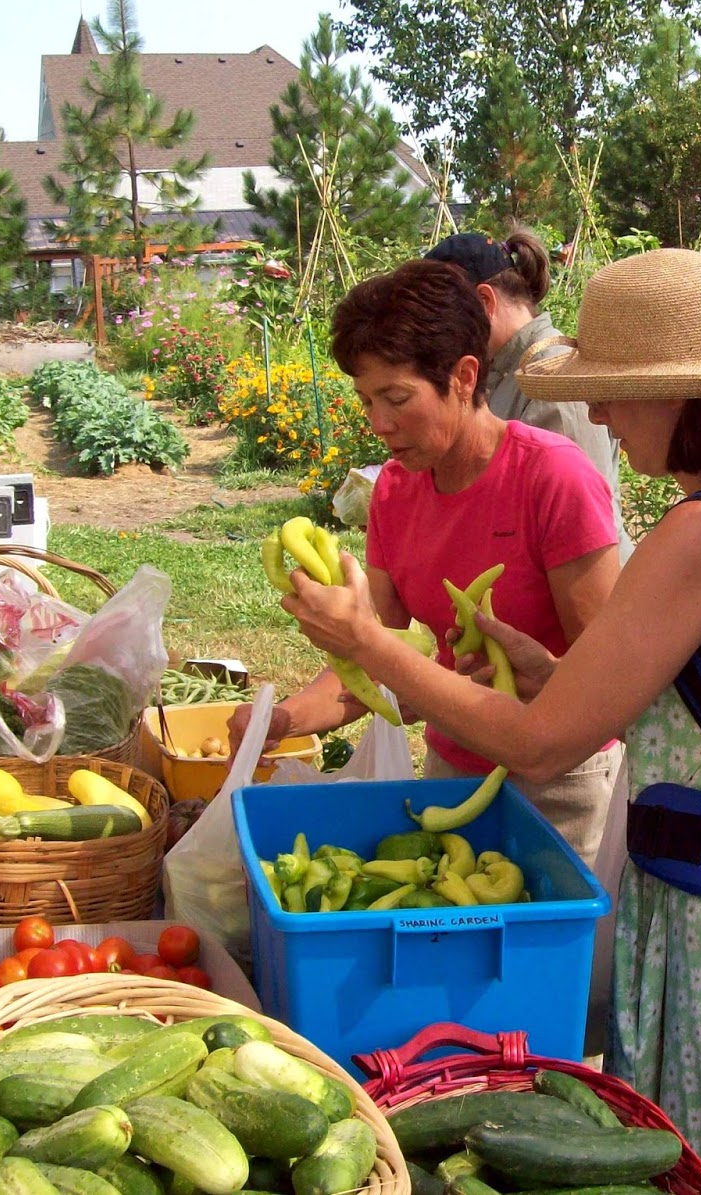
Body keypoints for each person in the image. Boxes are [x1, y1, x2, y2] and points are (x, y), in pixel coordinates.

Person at [280, 248, 701, 1193]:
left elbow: (546, 742)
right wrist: (551, 669)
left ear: (681, 398)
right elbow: (681, 704)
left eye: (617, 395)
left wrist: (373, 643)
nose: (597, 415)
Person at [228, 258, 623, 867]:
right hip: (451, 774)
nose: (379, 424)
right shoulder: (394, 488)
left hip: (562, 786)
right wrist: (285, 721)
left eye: (397, 398)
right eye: (366, 401)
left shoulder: (553, 477)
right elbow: (377, 659)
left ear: (465, 377)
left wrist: (540, 675)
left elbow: (608, 685)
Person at [426, 229, 630, 557]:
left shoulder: (553, 382)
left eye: (440, 324)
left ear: (484, 302)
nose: (437, 341)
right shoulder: (500, 372)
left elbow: (577, 529)